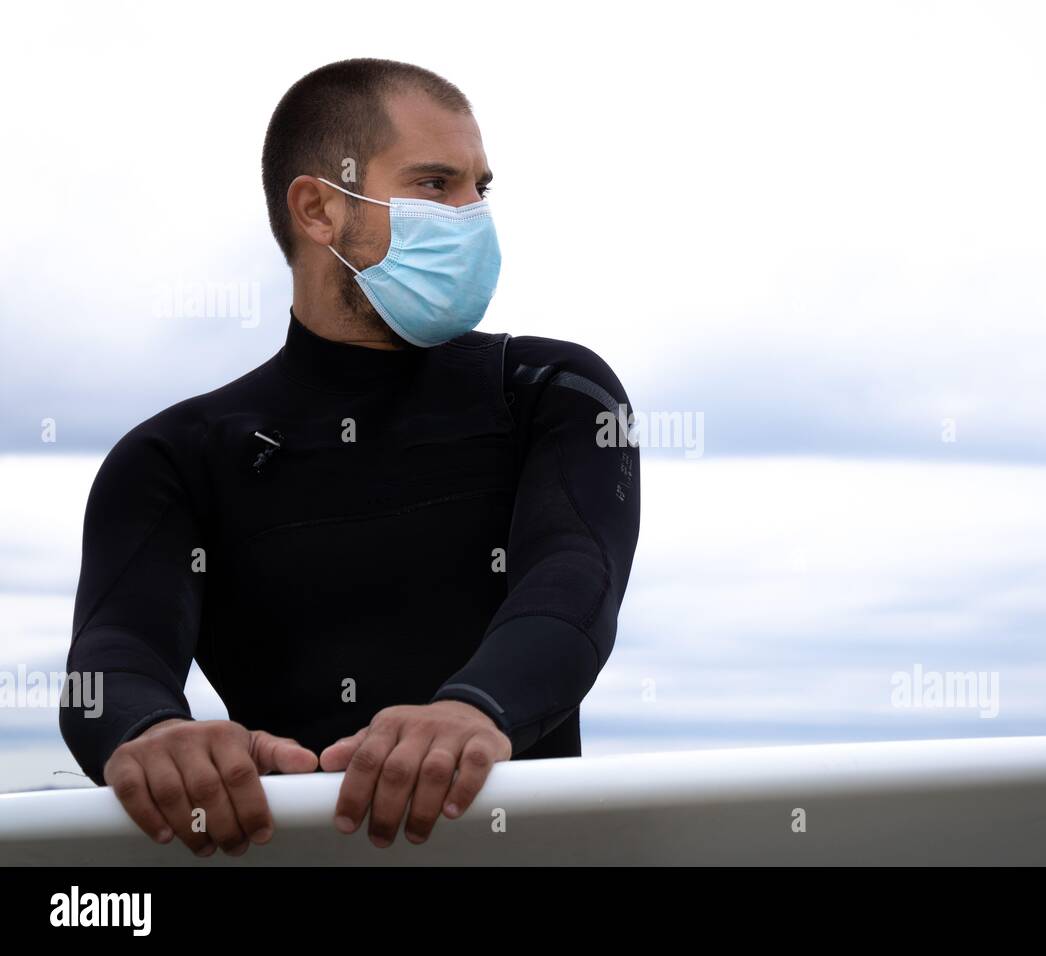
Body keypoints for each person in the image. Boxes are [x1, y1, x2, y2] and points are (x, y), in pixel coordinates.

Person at [58, 58, 640, 857]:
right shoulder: (173, 457)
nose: (472, 215)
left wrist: (473, 710)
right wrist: (153, 733)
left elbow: (575, 582)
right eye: (436, 184)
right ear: (320, 208)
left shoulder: (551, 390)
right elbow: (112, 657)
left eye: (482, 187)